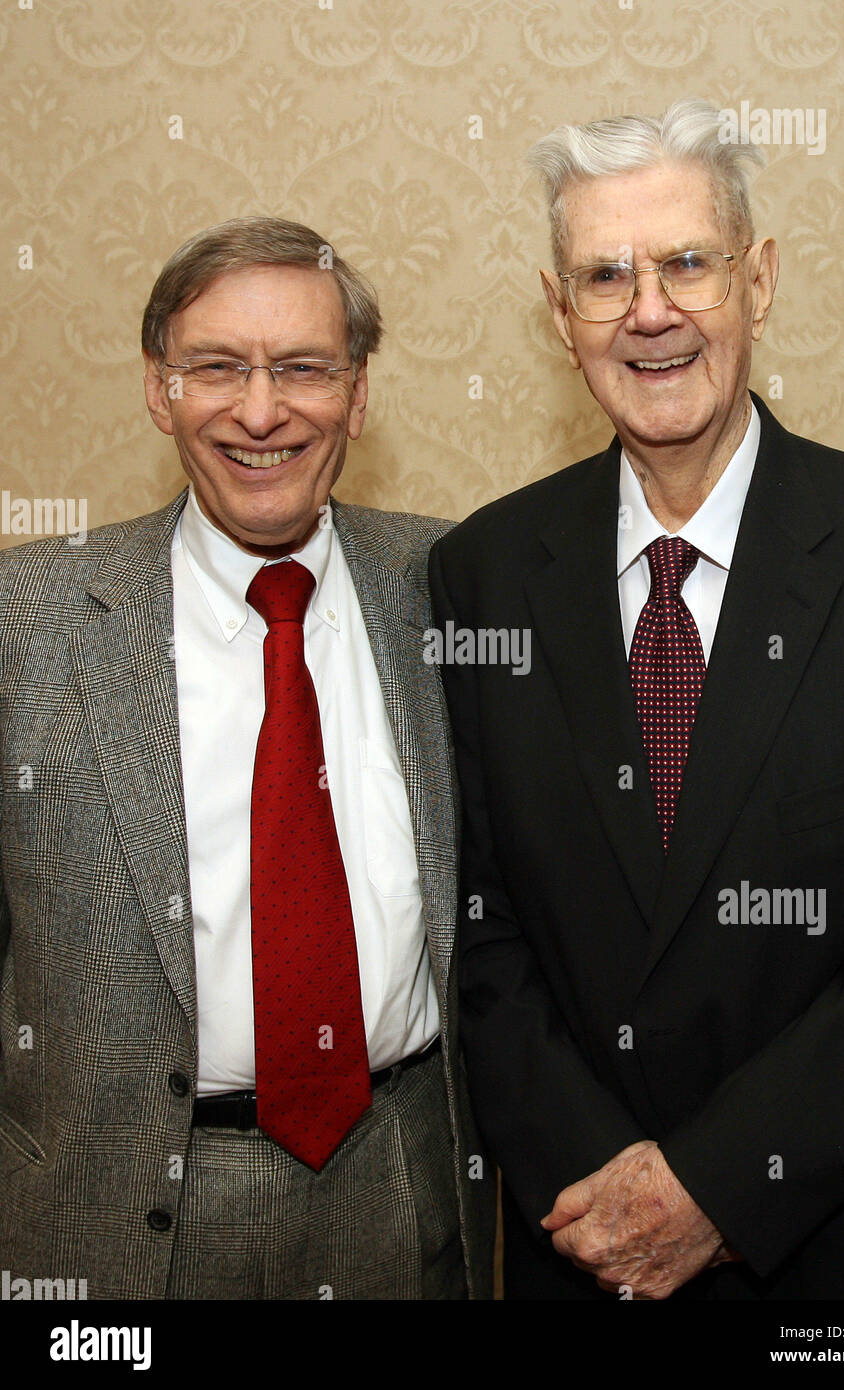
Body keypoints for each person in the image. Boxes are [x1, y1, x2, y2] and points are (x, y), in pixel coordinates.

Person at [429, 99, 844, 1300]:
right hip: (585, 1242)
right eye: (603, 276)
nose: (648, 310)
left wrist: (716, 1184)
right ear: (559, 315)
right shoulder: (482, 573)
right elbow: (477, 926)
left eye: (686, 263)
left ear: (758, 280)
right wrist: (601, 1182)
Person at [0, 216, 493, 1300]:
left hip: (401, 1193)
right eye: (215, 367)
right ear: (157, 388)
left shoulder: (454, 588)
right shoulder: (25, 624)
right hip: (114, 1223)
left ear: (358, 396)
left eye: (304, 369)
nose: (260, 411)